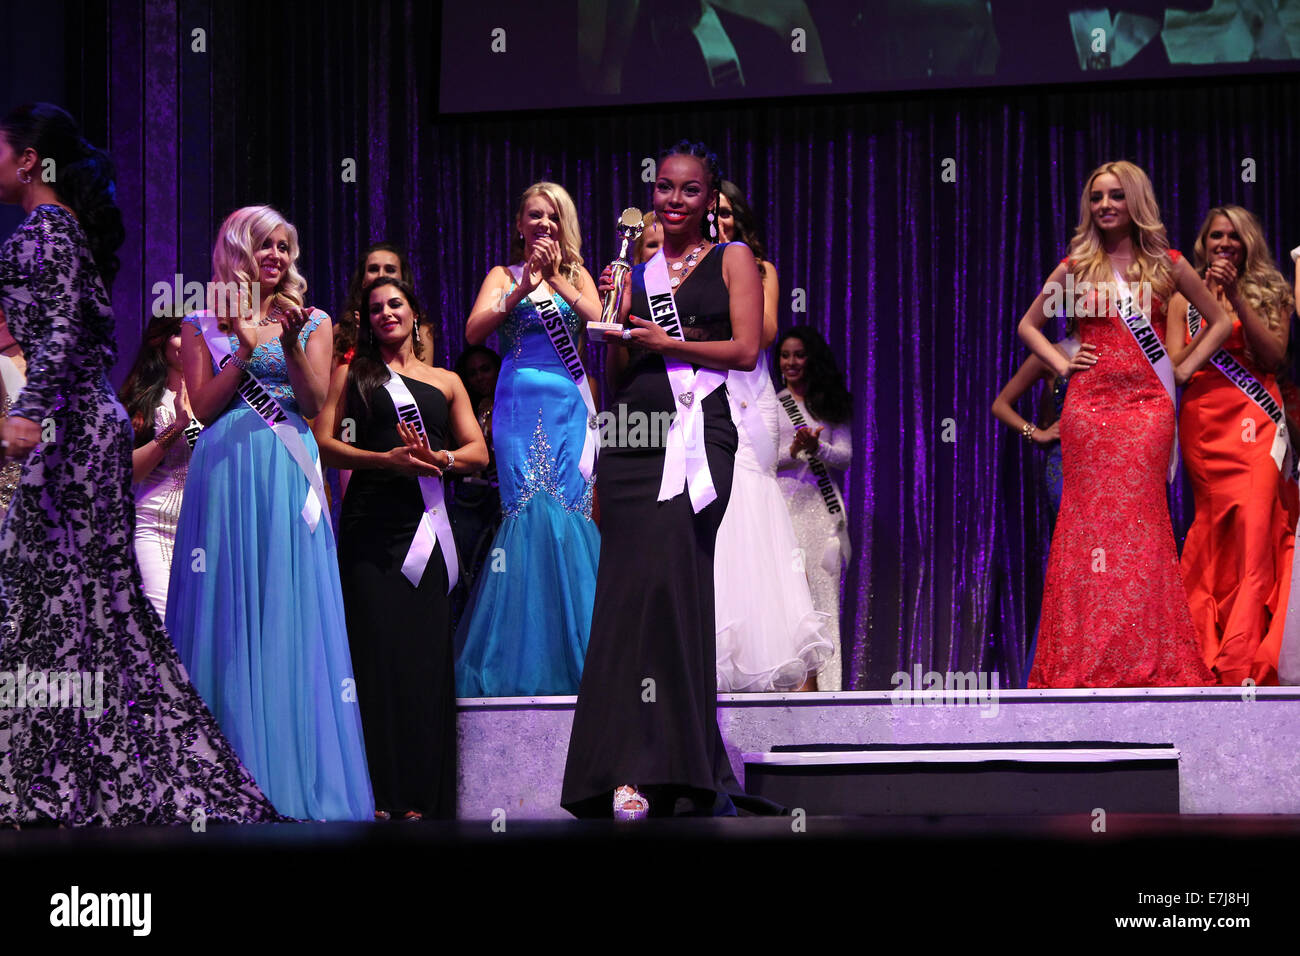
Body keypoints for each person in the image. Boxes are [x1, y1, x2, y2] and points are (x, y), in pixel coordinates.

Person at [0, 102, 278, 825]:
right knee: (87, 606)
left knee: (54, 602)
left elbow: (60, 330)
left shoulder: (45, 236)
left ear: (28, 159)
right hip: (85, 433)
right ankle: (79, 770)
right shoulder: (64, 236)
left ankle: (63, 776)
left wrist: (27, 408)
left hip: (65, 433)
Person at [561, 141, 764, 818]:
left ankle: (677, 765)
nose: (674, 200)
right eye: (665, 189)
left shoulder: (733, 260)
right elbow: (619, 375)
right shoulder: (635, 271)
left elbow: (744, 349)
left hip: (698, 432)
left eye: (690, 190)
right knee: (622, 595)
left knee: (673, 590)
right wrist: (618, 336)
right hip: (632, 435)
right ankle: (618, 766)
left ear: (711, 200)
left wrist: (667, 343)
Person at [166, 204, 373, 821]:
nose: (278, 258)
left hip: (286, 470)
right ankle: (220, 781)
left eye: (285, 247)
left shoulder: (314, 321)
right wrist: (242, 350)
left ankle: (292, 778)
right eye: (266, 246)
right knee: (228, 614)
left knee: (286, 609)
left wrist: (283, 338)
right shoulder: (203, 319)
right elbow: (200, 409)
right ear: (238, 251)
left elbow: (311, 403)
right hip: (228, 470)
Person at [1017, 160, 1229, 688]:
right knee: (1087, 526)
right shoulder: (1078, 267)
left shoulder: (1166, 263)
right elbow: (1028, 324)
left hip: (1146, 410)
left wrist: (1182, 368)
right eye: (1096, 197)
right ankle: (1086, 655)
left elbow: (1221, 321)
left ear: (1135, 201)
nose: (1105, 205)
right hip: (1089, 411)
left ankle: (1142, 654)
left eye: (1115, 196)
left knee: (1139, 527)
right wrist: (1064, 364)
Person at [315, 276, 487, 820]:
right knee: (375, 658)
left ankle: (421, 797)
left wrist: (441, 461)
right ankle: (378, 797)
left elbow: (478, 452)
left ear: (415, 313)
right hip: (370, 530)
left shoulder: (448, 381)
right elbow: (326, 443)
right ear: (366, 321)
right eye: (376, 309)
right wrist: (385, 460)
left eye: (396, 304)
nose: (387, 313)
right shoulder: (354, 375)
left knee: (422, 660)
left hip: (427, 529)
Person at [456, 182, 602, 697]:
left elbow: (599, 324)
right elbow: (475, 331)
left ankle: (582, 653)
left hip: (568, 404)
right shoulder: (502, 274)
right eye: (534, 216)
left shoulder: (578, 273)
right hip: (518, 405)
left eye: (553, 217)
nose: (543, 224)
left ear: (563, 226)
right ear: (519, 225)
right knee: (526, 513)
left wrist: (557, 279)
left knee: (568, 514)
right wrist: (522, 289)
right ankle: (521, 660)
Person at [707, 180, 830, 692]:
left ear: (740, 220)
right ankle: (716, 646)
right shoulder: (682, 266)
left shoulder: (760, 269)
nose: (719, 220)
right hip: (704, 387)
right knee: (712, 498)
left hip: (751, 393)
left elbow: (765, 332)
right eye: (712, 212)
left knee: (753, 493)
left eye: (728, 213)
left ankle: (766, 652)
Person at [1166, 206, 1295, 686]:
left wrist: (1236, 299)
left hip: (1255, 419)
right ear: (1204, 242)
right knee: (1215, 530)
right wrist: (1209, 319)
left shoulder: (1269, 290)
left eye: (1234, 236)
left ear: (1248, 243)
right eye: (1216, 235)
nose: (1225, 243)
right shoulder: (1184, 294)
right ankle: (1204, 651)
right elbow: (1176, 362)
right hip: (1205, 420)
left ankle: (1245, 657)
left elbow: (1274, 355)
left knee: (1257, 528)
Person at [774, 326, 853, 690]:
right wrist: (794, 451)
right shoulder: (773, 404)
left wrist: (815, 448)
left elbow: (846, 457)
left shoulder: (830, 403)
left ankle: (830, 690)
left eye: (799, 355)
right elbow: (763, 461)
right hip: (785, 509)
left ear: (811, 359)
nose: (791, 362)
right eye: (785, 355)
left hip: (823, 514)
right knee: (789, 599)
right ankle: (791, 685)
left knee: (824, 597)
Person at [119, 314, 200, 620]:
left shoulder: (213, 396)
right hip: (156, 527)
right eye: (180, 333)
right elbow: (128, 473)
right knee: (165, 624)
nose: (189, 340)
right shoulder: (143, 401)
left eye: (195, 332)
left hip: (203, 530)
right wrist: (176, 427)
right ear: (161, 342)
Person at [448, 344, 502, 627]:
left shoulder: (514, 401)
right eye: (472, 373)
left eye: (485, 369)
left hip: (506, 500)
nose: (480, 377)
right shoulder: (462, 410)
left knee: (503, 572)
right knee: (467, 570)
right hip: (469, 499)